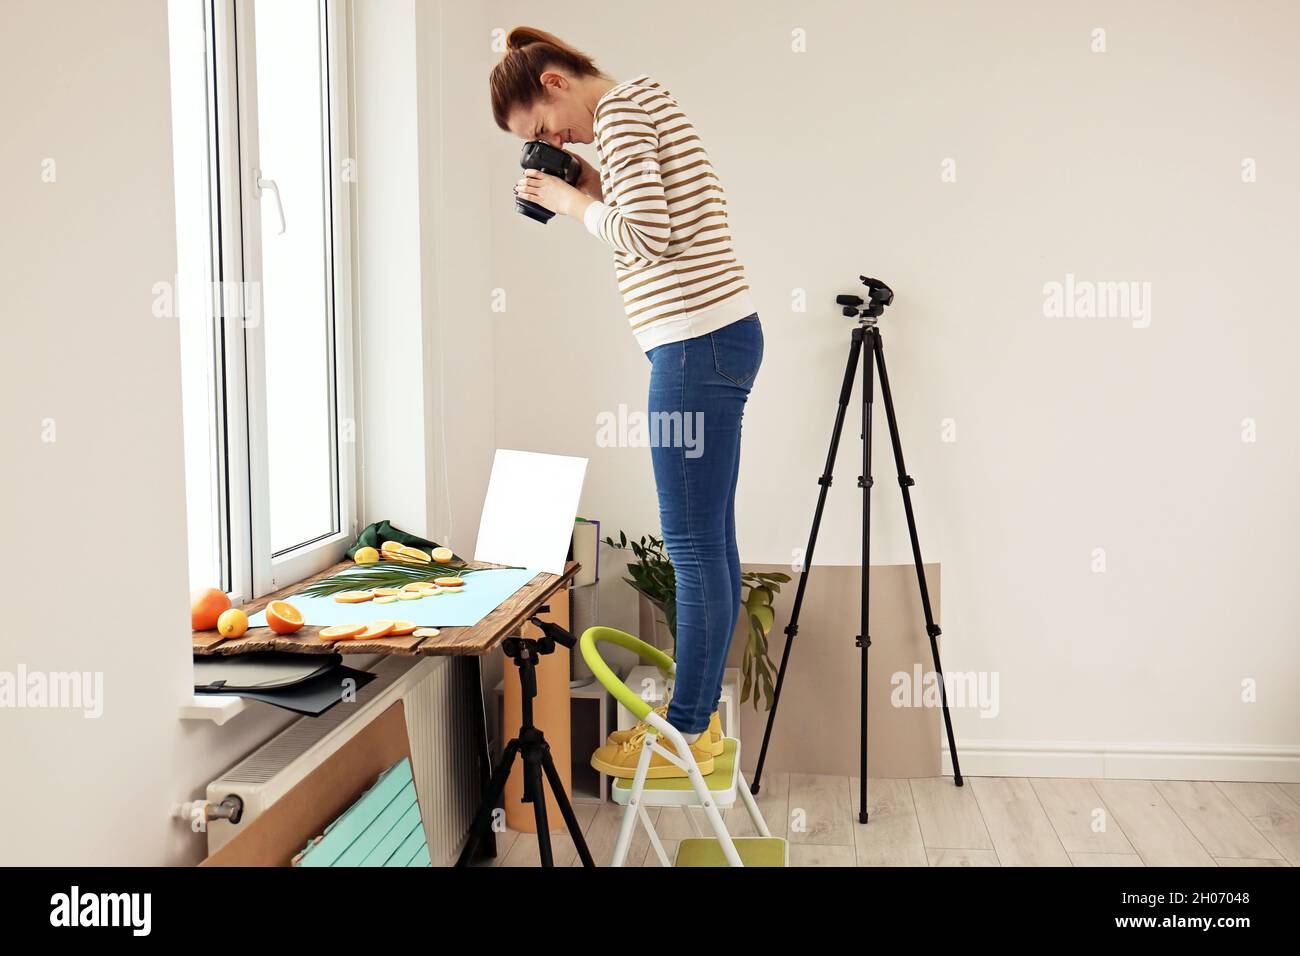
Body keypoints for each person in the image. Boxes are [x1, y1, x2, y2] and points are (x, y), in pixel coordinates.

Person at [491, 27, 763, 778]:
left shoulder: (619, 112)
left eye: (544, 130)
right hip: (718, 337)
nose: (557, 139)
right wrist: (593, 188)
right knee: (711, 540)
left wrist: (570, 202)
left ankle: (683, 731)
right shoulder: (645, 99)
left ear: (554, 83)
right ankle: (695, 723)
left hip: (694, 345)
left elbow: (647, 236)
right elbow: (670, 224)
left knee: (693, 546)